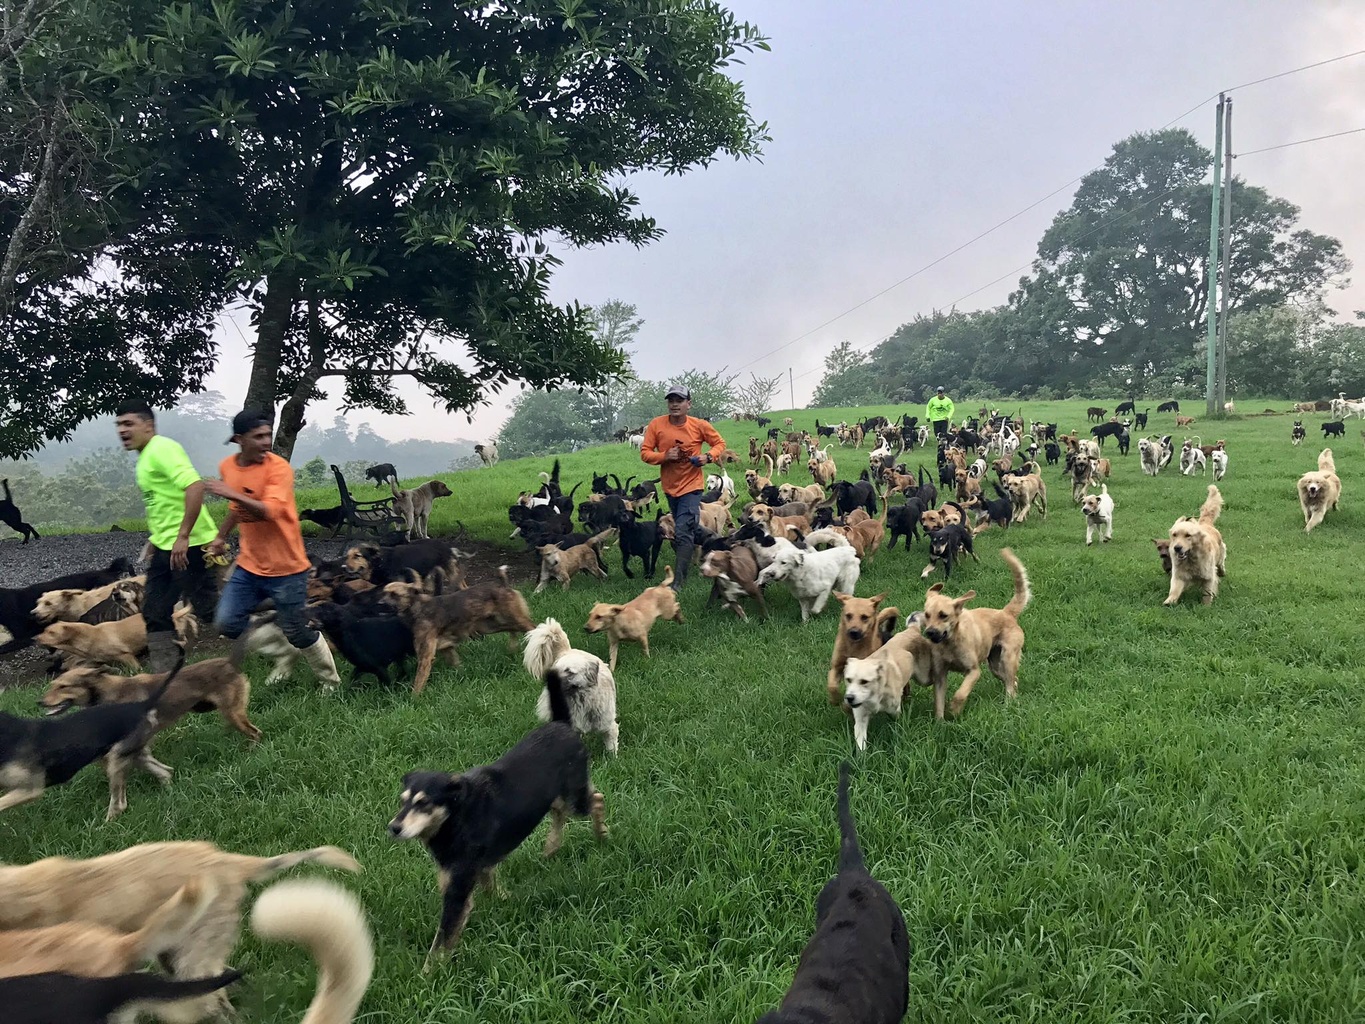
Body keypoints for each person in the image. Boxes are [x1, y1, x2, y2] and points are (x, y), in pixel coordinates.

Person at [203, 410, 341, 689]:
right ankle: (283, 652)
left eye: (268, 434)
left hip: (288, 567)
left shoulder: (278, 468)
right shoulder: (228, 467)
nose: (267, 441)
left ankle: (331, 681)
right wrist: (220, 536)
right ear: (240, 439)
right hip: (249, 564)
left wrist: (231, 493)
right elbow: (237, 508)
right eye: (259, 436)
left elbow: (270, 511)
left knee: (298, 631)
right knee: (227, 623)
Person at [116, 399, 222, 672]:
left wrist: (183, 536)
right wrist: (157, 537)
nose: (122, 430)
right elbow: (164, 502)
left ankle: (278, 613)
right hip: (168, 547)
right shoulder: (145, 456)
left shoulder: (162, 449)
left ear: (148, 426)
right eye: (118, 425)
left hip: (192, 546)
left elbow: (195, 486)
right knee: (154, 611)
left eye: (129, 423)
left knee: (212, 613)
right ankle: (167, 680)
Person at [640, 384, 727, 591]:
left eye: (679, 400)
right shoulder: (657, 425)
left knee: (682, 531)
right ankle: (718, 542)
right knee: (688, 526)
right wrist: (664, 456)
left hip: (692, 486)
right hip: (670, 488)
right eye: (671, 401)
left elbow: (720, 444)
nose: (674, 404)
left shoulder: (699, 425)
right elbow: (645, 452)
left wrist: (708, 457)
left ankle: (678, 583)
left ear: (689, 404)